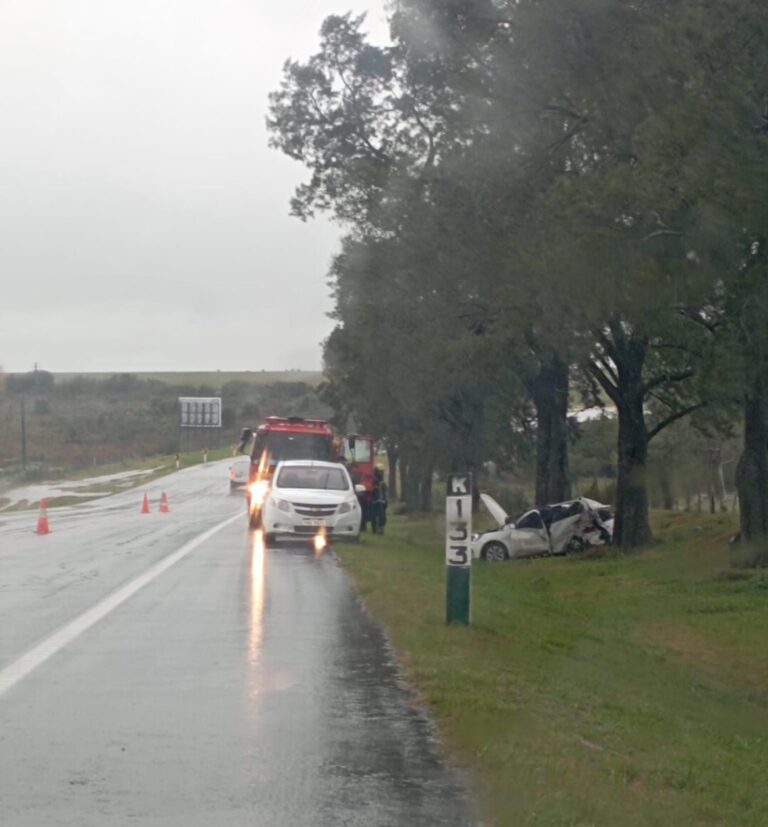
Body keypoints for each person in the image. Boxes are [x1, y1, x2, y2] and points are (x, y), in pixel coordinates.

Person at [370, 465, 388, 534]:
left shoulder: (382, 482)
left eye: (382, 471)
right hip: (374, 501)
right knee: (373, 517)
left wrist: (385, 500)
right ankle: (374, 529)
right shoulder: (373, 480)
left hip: (382, 501)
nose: (381, 473)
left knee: (383, 517)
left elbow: (385, 492)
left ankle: (381, 528)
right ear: (376, 471)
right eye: (380, 471)